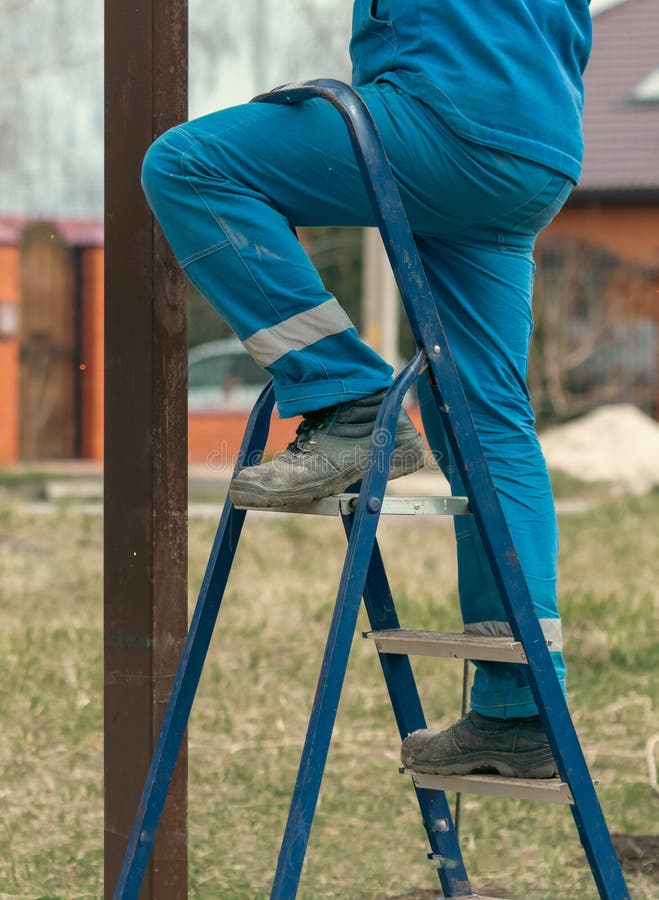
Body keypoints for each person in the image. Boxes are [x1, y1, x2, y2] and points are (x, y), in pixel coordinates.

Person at [141, 1, 592, 778]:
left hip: (447, 114)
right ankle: (519, 715)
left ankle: (343, 393)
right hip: (537, 141)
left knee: (190, 165)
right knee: (483, 422)